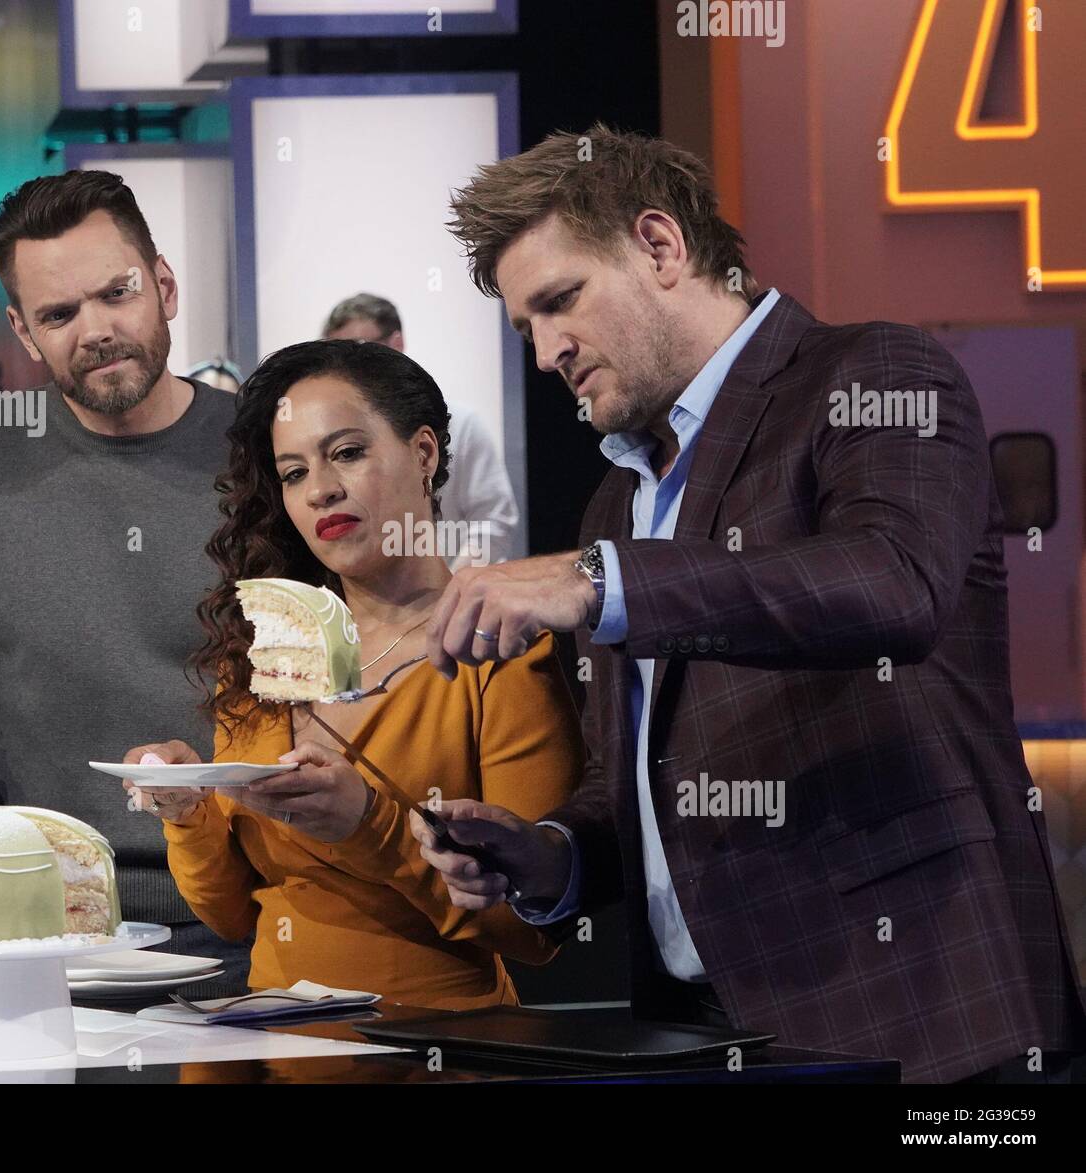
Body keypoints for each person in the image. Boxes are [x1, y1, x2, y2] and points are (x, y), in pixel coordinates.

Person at [414, 123, 1086, 1082]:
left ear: (660, 246)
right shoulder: (619, 496)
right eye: (527, 328)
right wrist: (552, 856)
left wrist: (597, 578)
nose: (548, 350)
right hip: (698, 1032)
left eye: (560, 303)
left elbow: (893, 583)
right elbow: (641, 778)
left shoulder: (875, 375)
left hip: (919, 1023)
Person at [122, 339, 584, 1009]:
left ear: (423, 453)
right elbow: (229, 915)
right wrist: (188, 813)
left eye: (346, 452)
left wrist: (372, 822)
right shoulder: (262, 654)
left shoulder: (499, 652)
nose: (322, 490)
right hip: (270, 1039)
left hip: (439, 1044)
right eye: (293, 471)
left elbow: (533, 926)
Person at [0, 170, 249, 985]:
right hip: (32, 933)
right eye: (59, 313)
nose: (97, 329)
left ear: (165, 284)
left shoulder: (269, 453)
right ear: (23, 330)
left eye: (116, 293)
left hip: (255, 917)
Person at [323, 293, 521, 569]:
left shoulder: (461, 425)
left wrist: (452, 590)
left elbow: (493, 521)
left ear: (397, 343)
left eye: (360, 349)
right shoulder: (329, 441)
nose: (349, 367)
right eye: (337, 354)